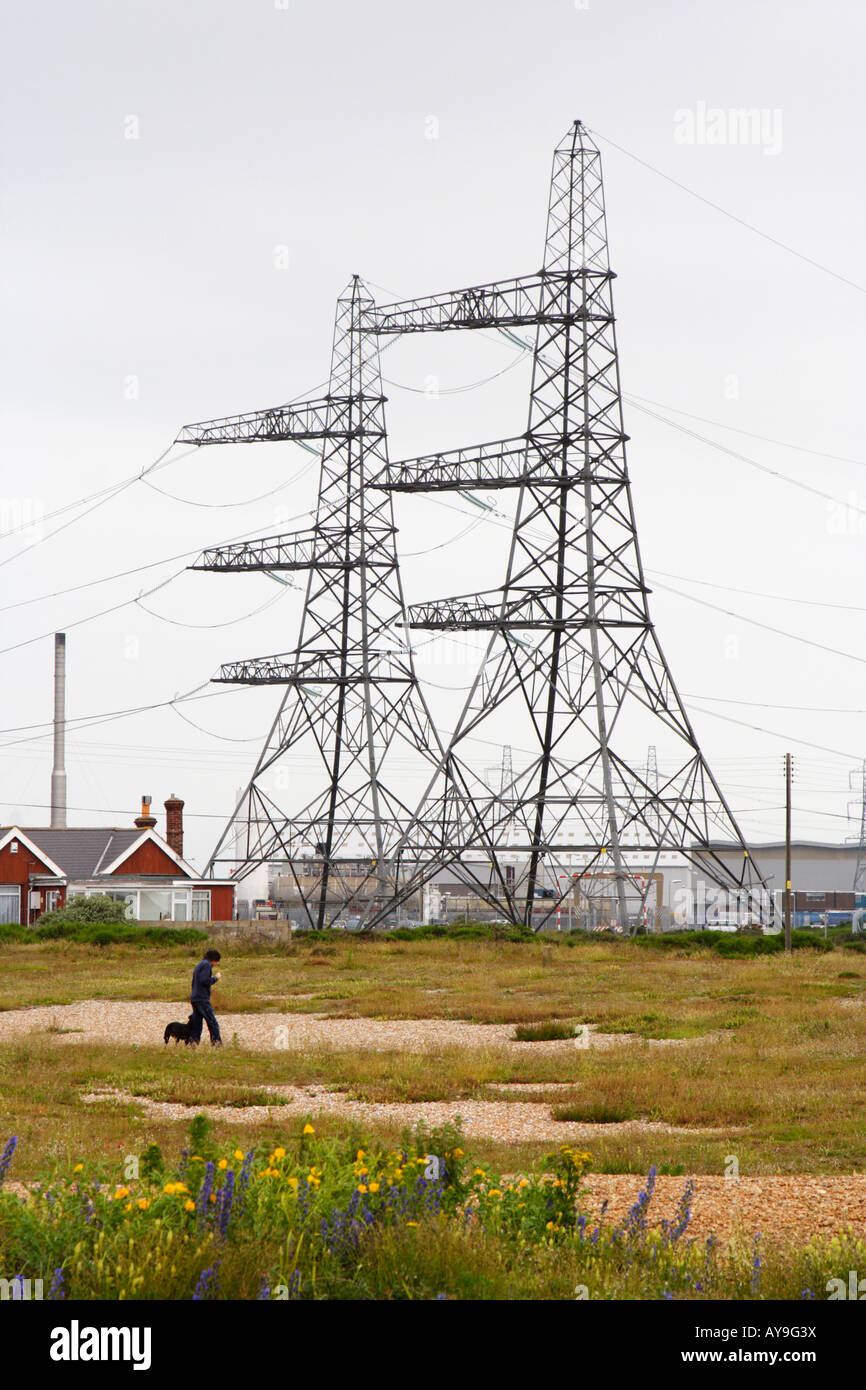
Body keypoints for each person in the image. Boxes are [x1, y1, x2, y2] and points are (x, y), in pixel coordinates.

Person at [187, 948, 223, 1047]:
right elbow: (204, 981)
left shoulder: (200, 964)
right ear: (214, 959)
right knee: (212, 1022)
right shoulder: (207, 965)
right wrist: (215, 978)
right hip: (202, 998)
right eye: (217, 961)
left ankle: (192, 1044)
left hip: (195, 997)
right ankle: (217, 1044)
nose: (216, 964)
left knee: (197, 1024)